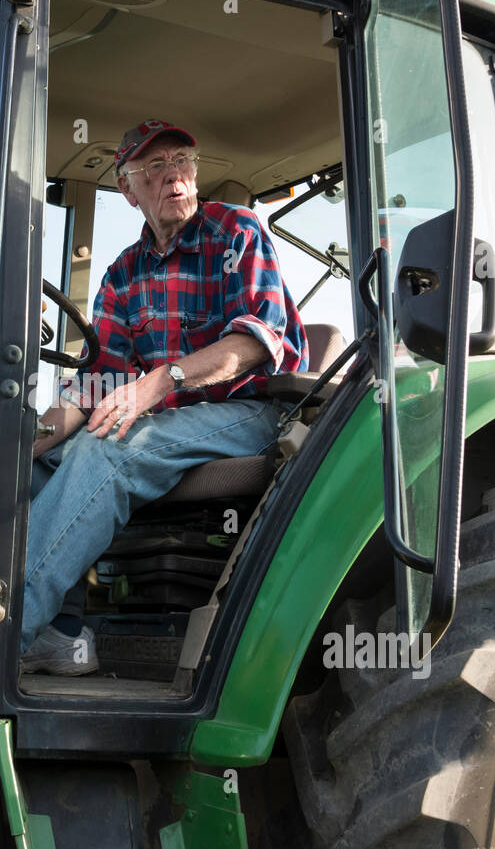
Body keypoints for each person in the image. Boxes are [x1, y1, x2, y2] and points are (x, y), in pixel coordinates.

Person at [21, 120, 308, 675]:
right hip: (173, 421)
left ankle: (1, 626)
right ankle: (59, 635)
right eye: (154, 167)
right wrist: (29, 440)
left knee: (112, 448)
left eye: (182, 160)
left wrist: (156, 383)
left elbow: (253, 343)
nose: (173, 174)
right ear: (128, 190)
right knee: (37, 463)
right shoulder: (122, 274)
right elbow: (94, 384)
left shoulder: (237, 233)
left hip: (255, 412)